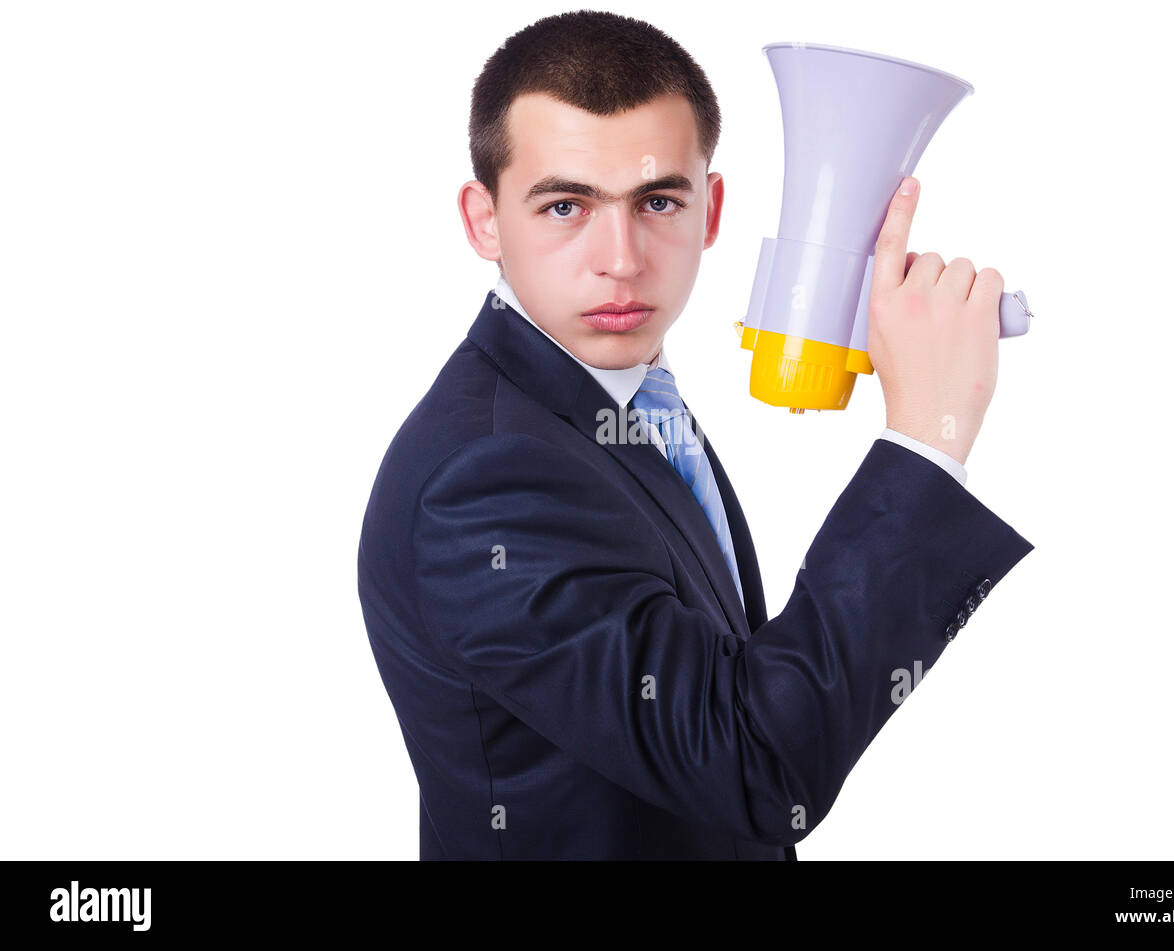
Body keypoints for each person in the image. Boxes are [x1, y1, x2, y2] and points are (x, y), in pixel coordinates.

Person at [357, 10, 1033, 860]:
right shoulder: (485, 480)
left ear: (709, 209)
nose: (623, 259)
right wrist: (925, 442)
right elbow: (753, 761)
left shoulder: (618, 399)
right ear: (484, 219)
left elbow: (713, 688)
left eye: (658, 201)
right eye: (566, 205)